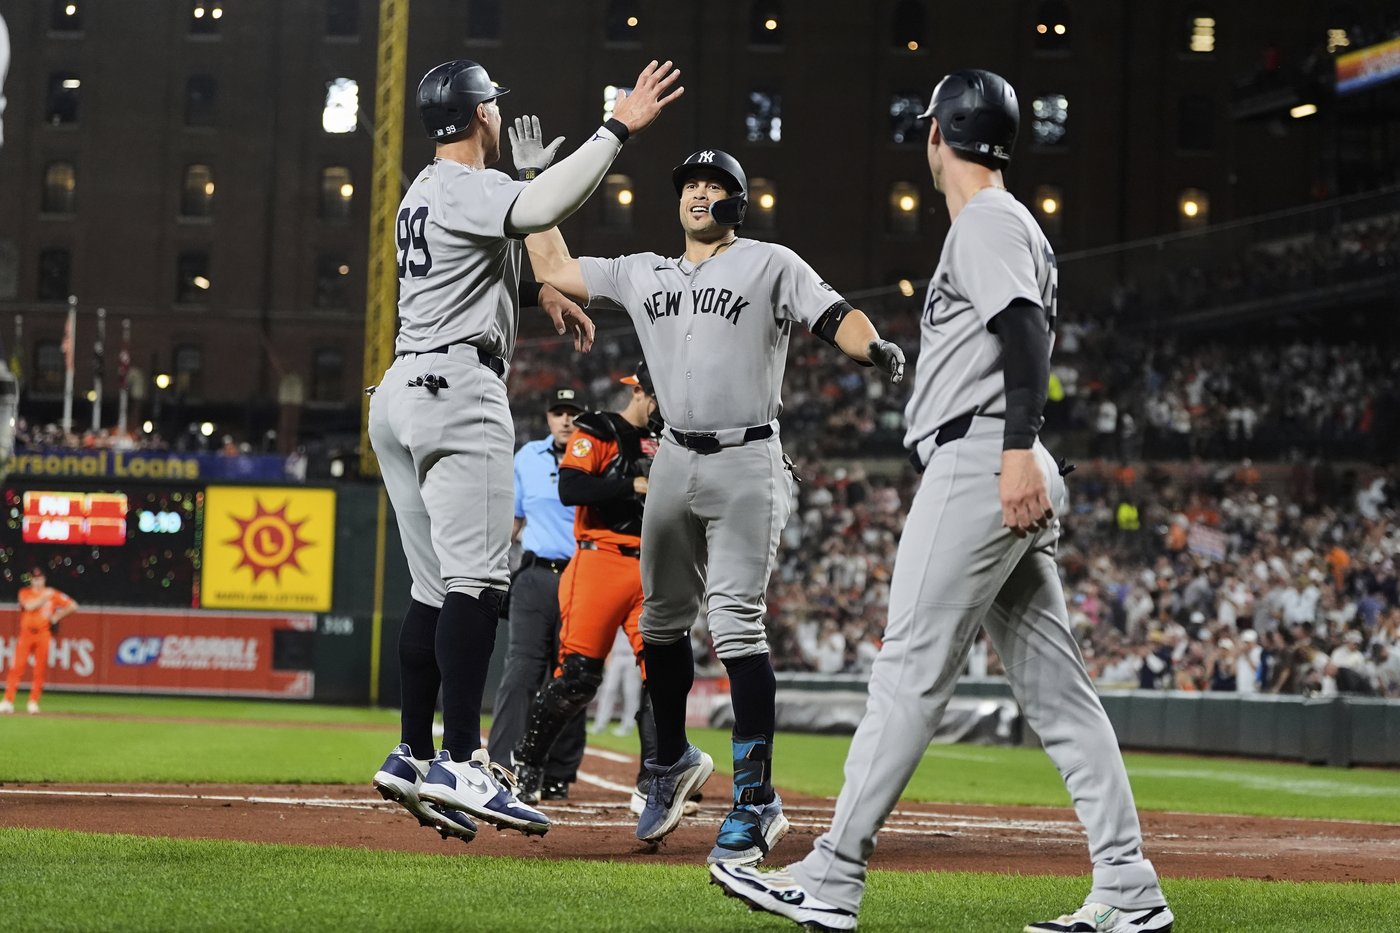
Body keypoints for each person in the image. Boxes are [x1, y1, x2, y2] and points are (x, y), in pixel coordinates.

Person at [708, 70, 1174, 933]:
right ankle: (1128, 885)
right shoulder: (1001, 220)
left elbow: (1025, 331)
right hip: (998, 455)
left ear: (937, 135)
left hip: (981, 457)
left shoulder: (988, 219)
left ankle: (834, 871)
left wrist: (1012, 449)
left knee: (908, 671)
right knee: (1061, 695)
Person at [527, 150, 905, 866]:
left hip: (746, 456)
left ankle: (756, 796)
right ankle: (669, 760)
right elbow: (554, 268)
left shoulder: (769, 262)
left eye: (713, 185)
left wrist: (874, 346)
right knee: (664, 623)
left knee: (734, 621)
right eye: (690, 186)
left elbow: (836, 314)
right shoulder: (645, 270)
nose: (699, 193)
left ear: (737, 202)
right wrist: (531, 189)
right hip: (671, 456)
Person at [367, 57, 683, 845]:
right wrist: (619, 127)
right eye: (495, 108)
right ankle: (465, 757)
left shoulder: (422, 190)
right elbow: (540, 200)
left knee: (433, 586)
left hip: (402, 389)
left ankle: (411, 750)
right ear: (480, 115)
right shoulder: (471, 183)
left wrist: (537, 286)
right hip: (455, 387)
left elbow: (491, 248)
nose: (501, 117)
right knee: (474, 581)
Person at [510, 362, 664, 805]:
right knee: (577, 678)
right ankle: (528, 760)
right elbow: (572, 487)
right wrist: (632, 482)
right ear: (638, 392)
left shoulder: (671, 436)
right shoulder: (596, 427)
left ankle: (654, 781)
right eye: (657, 398)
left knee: (664, 677)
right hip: (600, 560)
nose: (662, 407)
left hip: (653, 566)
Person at [485, 387, 591, 801]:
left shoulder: (596, 456)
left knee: (572, 674)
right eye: (558, 412)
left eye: (572, 413)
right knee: (521, 670)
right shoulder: (527, 457)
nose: (565, 420)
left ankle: (559, 772)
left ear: (582, 418)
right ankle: (500, 764)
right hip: (533, 575)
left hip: (581, 576)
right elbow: (514, 520)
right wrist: (492, 567)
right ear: (548, 418)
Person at [2, 568, 78, 715]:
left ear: (44, 579)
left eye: (39, 579)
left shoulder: (52, 594)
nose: (37, 581)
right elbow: (29, 606)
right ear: (31, 580)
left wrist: (57, 616)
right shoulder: (25, 592)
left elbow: (73, 605)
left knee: (40, 670)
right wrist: (45, 597)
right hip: (26, 635)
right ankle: (8, 701)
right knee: (17, 667)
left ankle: (33, 702)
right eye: (34, 579)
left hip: (43, 634)